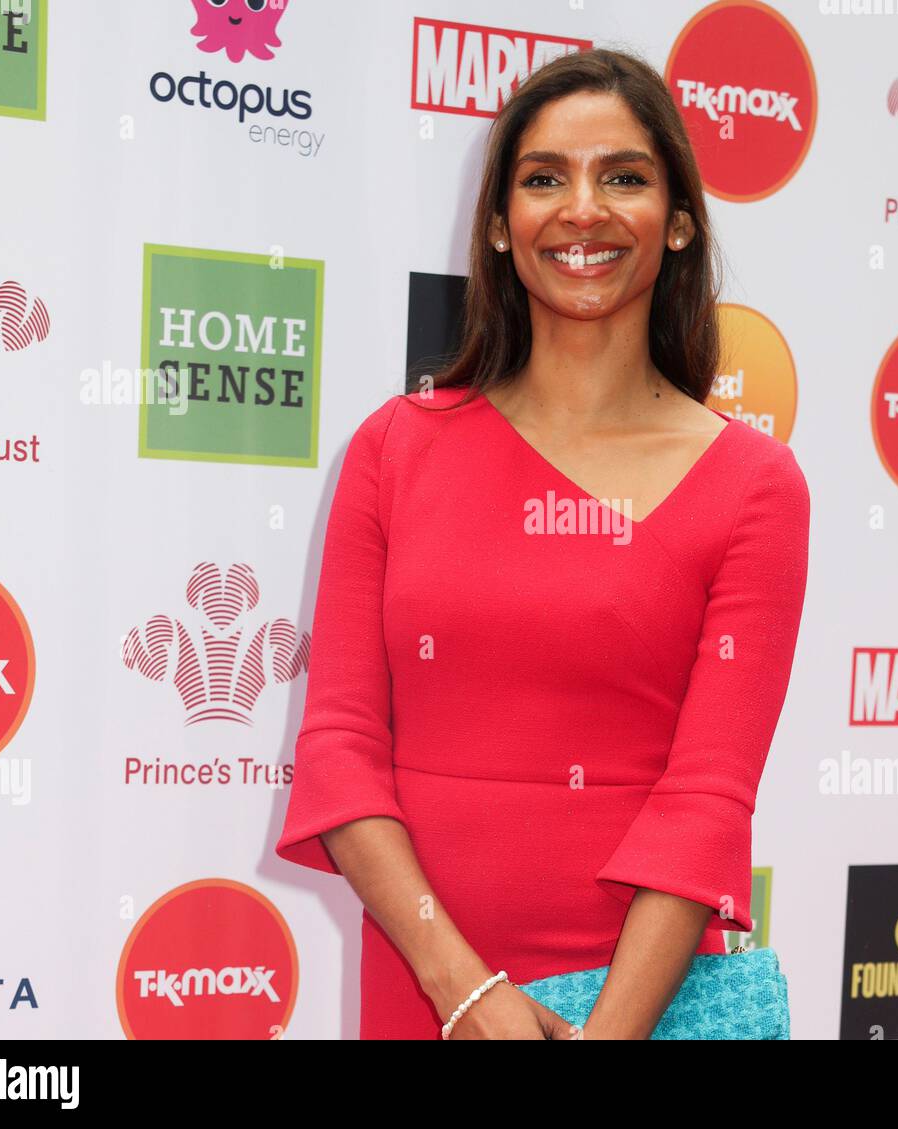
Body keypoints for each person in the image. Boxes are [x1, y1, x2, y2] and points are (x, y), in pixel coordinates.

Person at [274, 47, 811, 1040]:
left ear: (680, 220)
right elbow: (343, 753)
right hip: (424, 980)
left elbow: (708, 797)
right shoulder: (393, 449)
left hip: (642, 1001)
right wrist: (461, 988)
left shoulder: (754, 485)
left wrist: (608, 1034)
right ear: (497, 223)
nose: (581, 211)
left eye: (624, 177)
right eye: (542, 179)